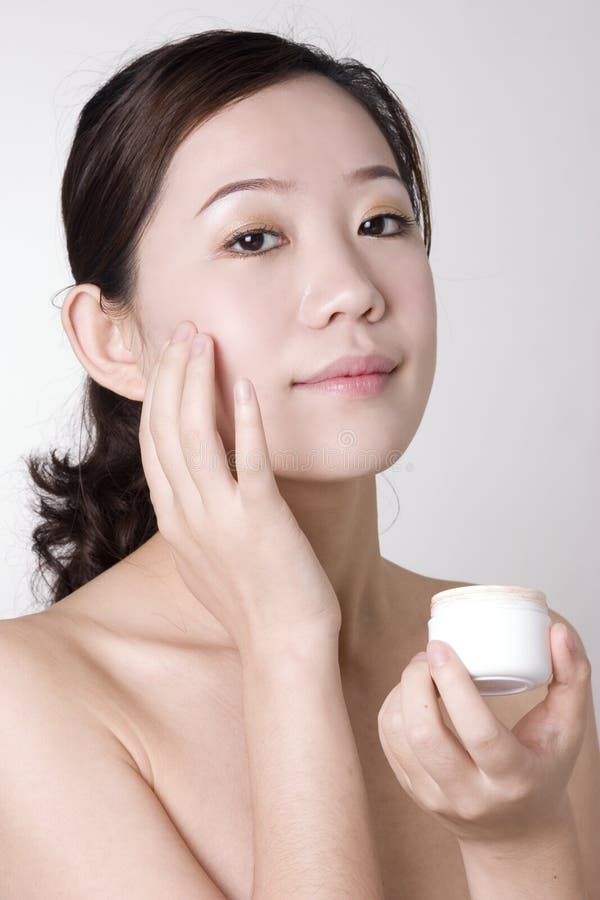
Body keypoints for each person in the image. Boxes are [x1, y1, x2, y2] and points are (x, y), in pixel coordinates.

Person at [2, 28, 597, 899]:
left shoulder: (500, 659)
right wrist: (286, 647)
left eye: (381, 221)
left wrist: (521, 835)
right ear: (110, 336)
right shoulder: (30, 706)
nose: (353, 286)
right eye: (254, 238)